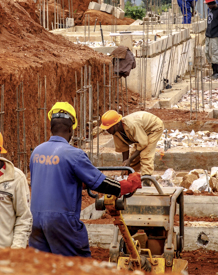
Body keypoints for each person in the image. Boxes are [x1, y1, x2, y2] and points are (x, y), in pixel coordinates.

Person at [29, 102, 142, 257]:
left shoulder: (37, 152)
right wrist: (127, 185)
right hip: (62, 221)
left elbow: (49, 179)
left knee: (43, 265)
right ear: (71, 129)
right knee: (78, 265)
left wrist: (76, 182)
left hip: (36, 220)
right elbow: (100, 182)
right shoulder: (73, 154)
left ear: (51, 128)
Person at [100, 110, 164, 175]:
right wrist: (125, 166)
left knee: (145, 154)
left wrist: (129, 160)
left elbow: (143, 144)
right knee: (133, 158)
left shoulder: (131, 125)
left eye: (109, 128)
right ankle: (129, 175)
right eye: (106, 128)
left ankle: (146, 177)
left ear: (117, 124)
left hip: (154, 128)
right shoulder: (115, 132)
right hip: (142, 131)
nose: (107, 130)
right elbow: (124, 148)